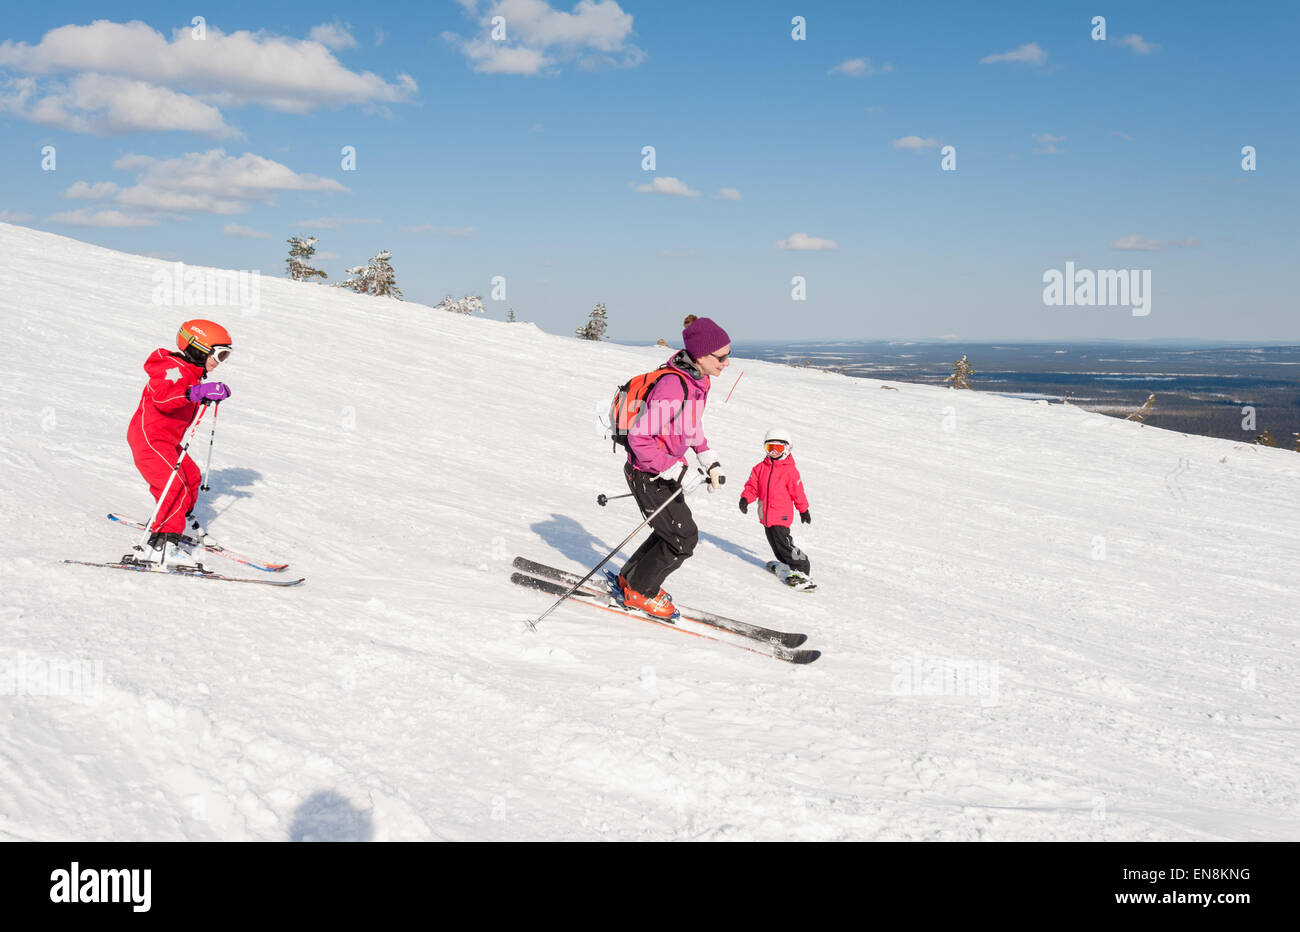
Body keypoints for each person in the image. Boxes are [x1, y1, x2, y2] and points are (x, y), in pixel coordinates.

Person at [617, 315, 730, 617]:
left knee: (671, 531)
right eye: (721, 357)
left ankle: (632, 581)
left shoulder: (695, 382)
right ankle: (641, 591)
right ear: (702, 355)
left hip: (660, 471)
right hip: (647, 473)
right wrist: (671, 468)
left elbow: (689, 425)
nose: (726, 362)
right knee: (682, 539)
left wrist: (708, 459)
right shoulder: (674, 386)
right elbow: (640, 437)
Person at [126, 319, 232, 569]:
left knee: (191, 477)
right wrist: (196, 393)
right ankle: (162, 545)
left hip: (167, 441)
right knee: (174, 486)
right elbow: (164, 398)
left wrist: (206, 392)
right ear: (199, 348)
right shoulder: (170, 367)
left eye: (226, 355)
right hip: (150, 438)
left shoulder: (193, 373)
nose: (220, 361)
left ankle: (174, 521)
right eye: (219, 354)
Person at [739, 427, 814, 588]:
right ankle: (786, 563)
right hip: (766, 515)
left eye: (777, 448)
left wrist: (803, 510)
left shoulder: (790, 471)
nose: (773, 452)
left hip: (781, 516)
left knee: (784, 544)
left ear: (787, 449)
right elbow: (752, 486)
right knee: (775, 545)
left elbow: (798, 493)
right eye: (769, 448)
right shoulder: (760, 468)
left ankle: (802, 567)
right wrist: (745, 499)